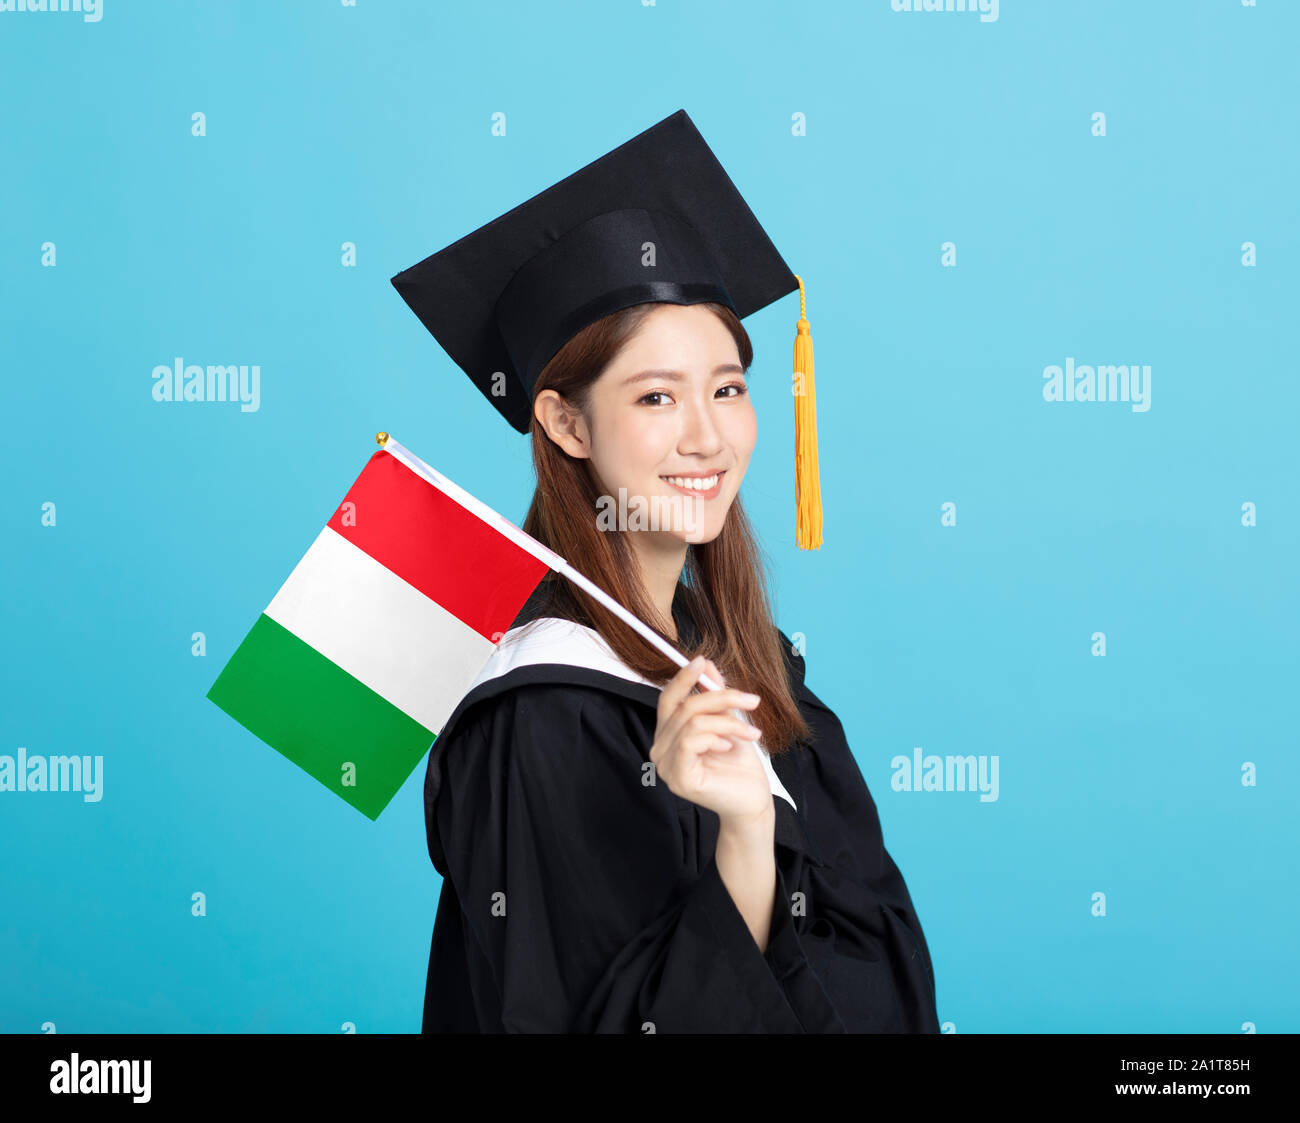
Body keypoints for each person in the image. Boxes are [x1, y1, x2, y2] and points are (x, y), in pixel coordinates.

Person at [390, 109, 941, 1033]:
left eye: (728, 387)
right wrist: (746, 842)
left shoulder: (742, 658)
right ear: (566, 425)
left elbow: (876, 949)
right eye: (656, 396)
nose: (708, 437)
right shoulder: (539, 716)